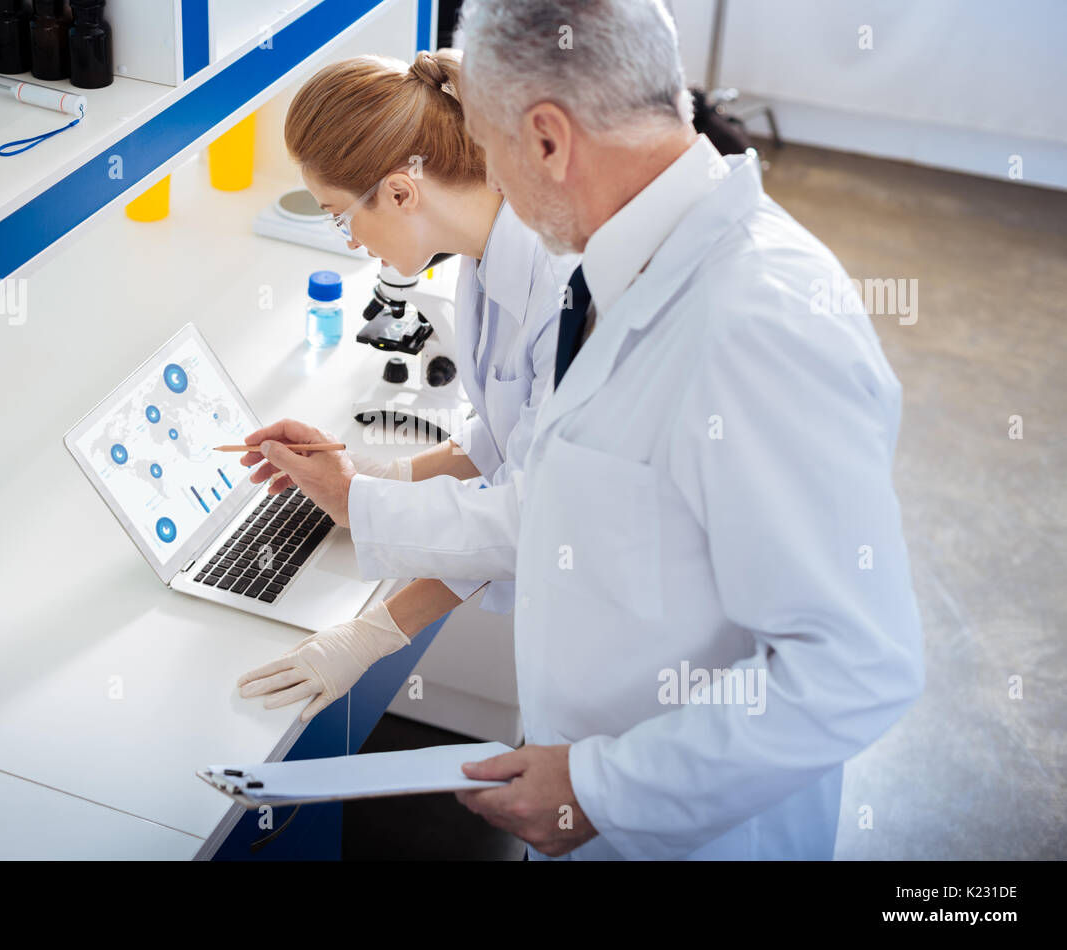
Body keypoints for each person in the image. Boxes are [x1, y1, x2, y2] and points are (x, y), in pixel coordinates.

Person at [243, 0, 925, 861]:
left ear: (547, 139)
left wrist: (604, 786)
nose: (483, 176)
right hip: (586, 785)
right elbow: (558, 497)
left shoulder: (760, 324)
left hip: (690, 833)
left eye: (484, 147)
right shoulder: (622, 271)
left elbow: (857, 667)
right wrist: (368, 486)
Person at [236, 50, 574, 721]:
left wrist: (356, 514)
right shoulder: (487, 258)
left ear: (399, 191)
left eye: (339, 214)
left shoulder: (564, 283)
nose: (349, 240)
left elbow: (533, 517)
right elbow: (509, 442)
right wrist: (377, 474)